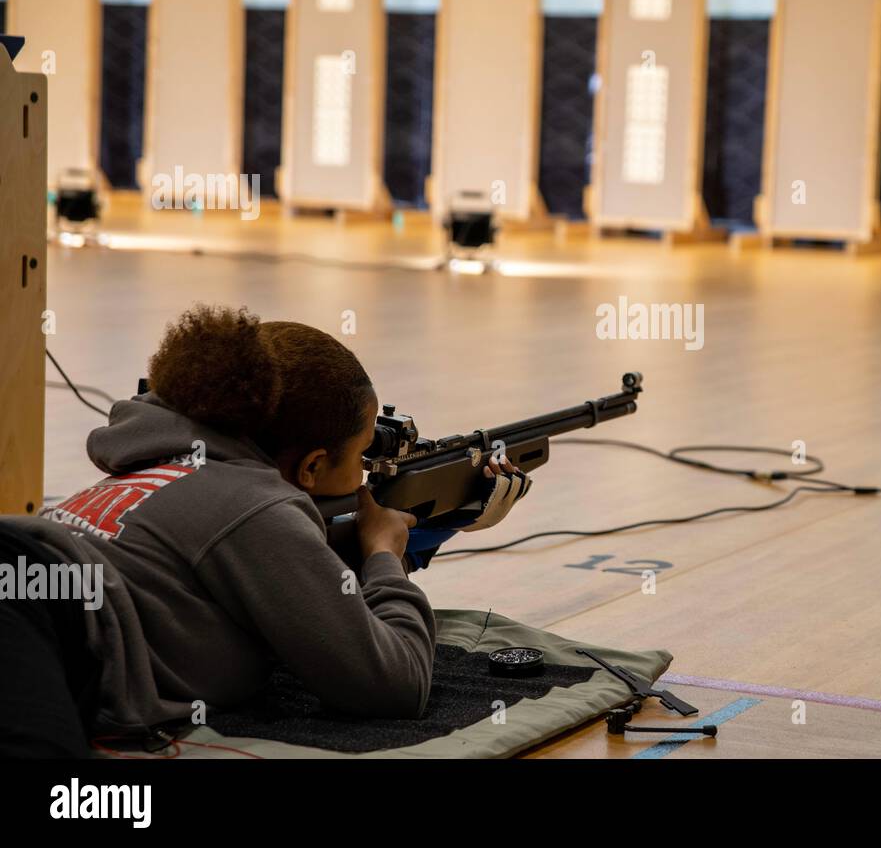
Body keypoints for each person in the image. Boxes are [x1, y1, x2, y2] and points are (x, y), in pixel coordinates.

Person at [1, 304, 529, 755]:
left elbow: (284, 587)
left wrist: (440, 526)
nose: (369, 471)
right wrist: (386, 555)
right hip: (34, 621)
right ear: (313, 468)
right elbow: (397, 685)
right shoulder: (259, 507)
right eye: (364, 453)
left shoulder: (161, 464)